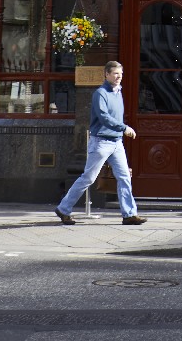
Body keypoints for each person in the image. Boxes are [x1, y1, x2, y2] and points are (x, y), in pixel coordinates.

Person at [54, 61, 145, 226]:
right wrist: (123, 127)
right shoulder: (100, 93)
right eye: (115, 74)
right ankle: (63, 208)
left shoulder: (118, 93)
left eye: (121, 74)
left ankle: (129, 214)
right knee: (88, 178)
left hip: (116, 142)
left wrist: (120, 131)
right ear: (107, 74)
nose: (119, 77)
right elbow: (104, 117)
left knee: (124, 177)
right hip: (101, 142)